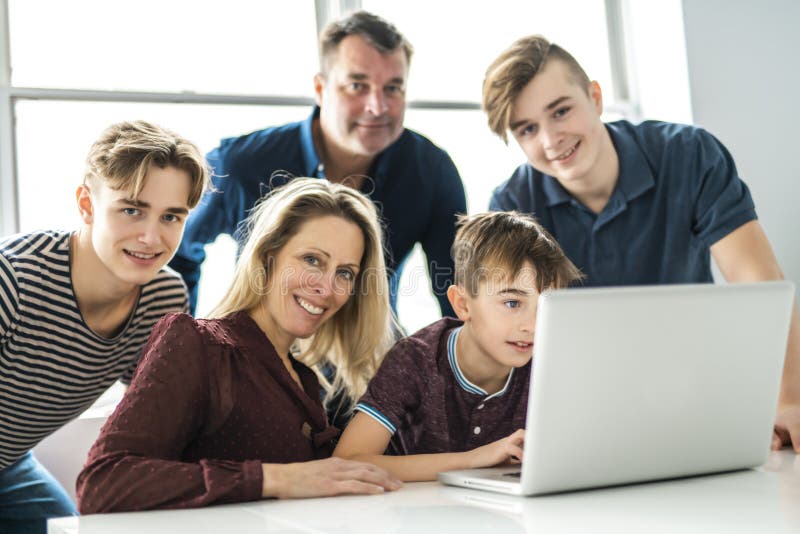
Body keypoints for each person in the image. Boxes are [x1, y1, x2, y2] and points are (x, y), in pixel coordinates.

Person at [482, 35, 800, 452]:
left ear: (595, 97)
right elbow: (507, 337)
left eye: (561, 111)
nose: (550, 139)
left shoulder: (690, 155)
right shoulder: (511, 206)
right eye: (527, 129)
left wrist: (790, 401)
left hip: (697, 396)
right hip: (581, 415)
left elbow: (759, 283)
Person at [76, 178, 401, 513]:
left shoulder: (304, 379)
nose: (327, 287)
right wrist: (276, 479)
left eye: (345, 273)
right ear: (268, 256)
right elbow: (102, 484)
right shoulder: (199, 344)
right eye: (312, 260)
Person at [169, 10, 467, 318]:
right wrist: (185, 340)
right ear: (320, 89)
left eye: (392, 88)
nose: (377, 107)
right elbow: (178, 253)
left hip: (372, 354)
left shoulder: (432, 172)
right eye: (357, 85)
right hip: (257, 353)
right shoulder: (240, 164)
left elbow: (457, 295)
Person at [0, 121, 210, 533]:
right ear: (87, 204)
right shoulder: (13, 281)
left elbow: (160, 418)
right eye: (132, 209)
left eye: (171, 216)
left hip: (10, 463)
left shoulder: (163, 297)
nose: (151, 237)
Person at [333, 211, 582, 481]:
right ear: (463, 304)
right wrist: (473, 460)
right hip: (405, 514)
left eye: (545, 305)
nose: (532, 325)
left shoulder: (548, 360)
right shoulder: (414, 359)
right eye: (512, 303)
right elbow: (347, 461)